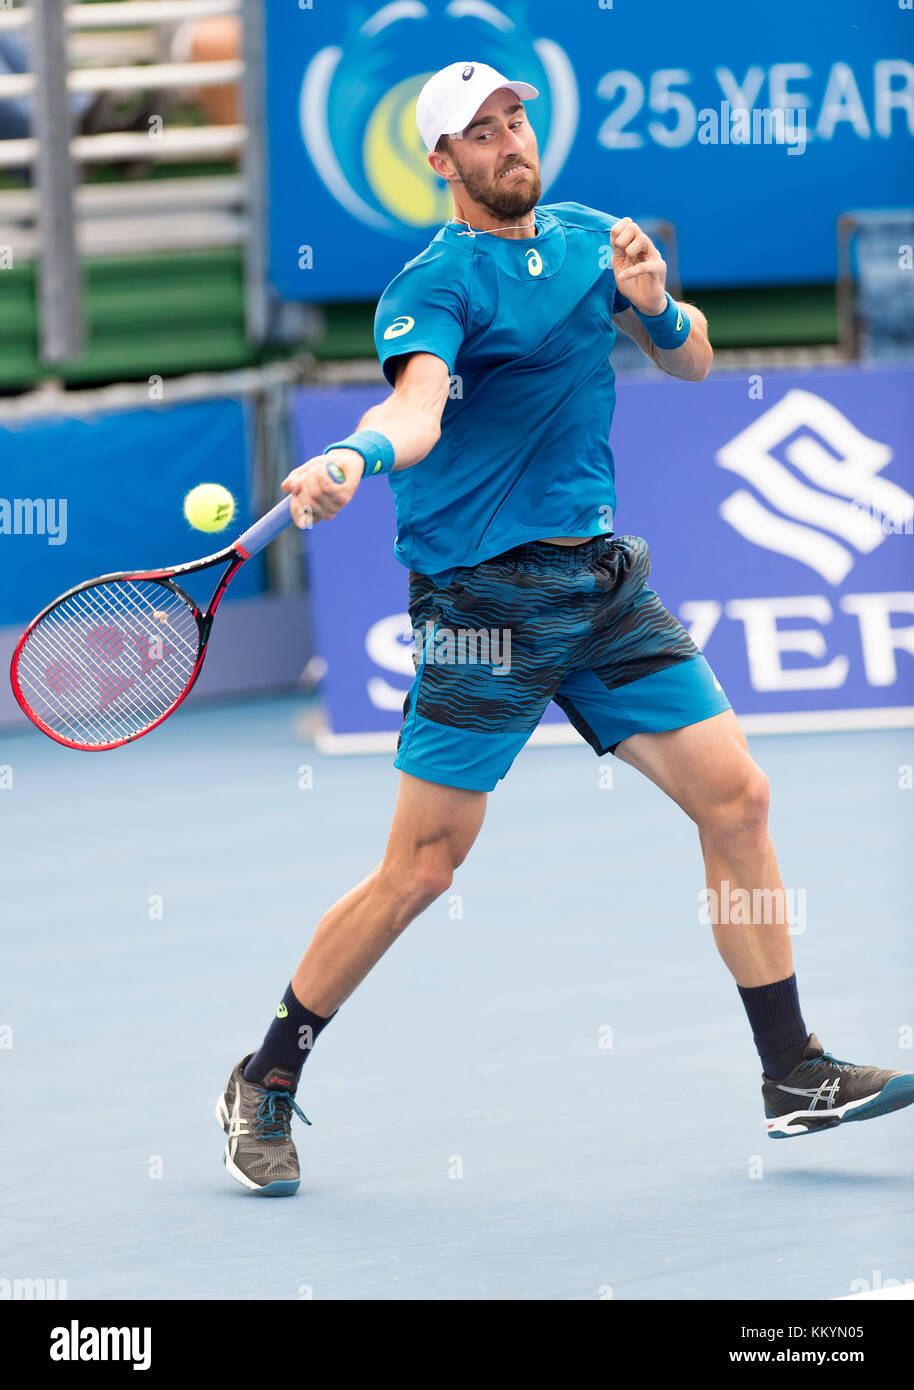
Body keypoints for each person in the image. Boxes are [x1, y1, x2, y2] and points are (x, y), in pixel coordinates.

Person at [215, 61, 914, 1196]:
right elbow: (417, 410)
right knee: (423, 868)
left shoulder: (594, 235)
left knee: (735, 797)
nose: (507, 141)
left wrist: (652, 300)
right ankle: (267, 1071)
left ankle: (790, 1072)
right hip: (481, 605)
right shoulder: (433, 283)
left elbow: (691, 364)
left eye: (514, 119)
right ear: (441, 162)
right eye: (479, 134)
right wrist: (354, 454)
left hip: (597, 585)